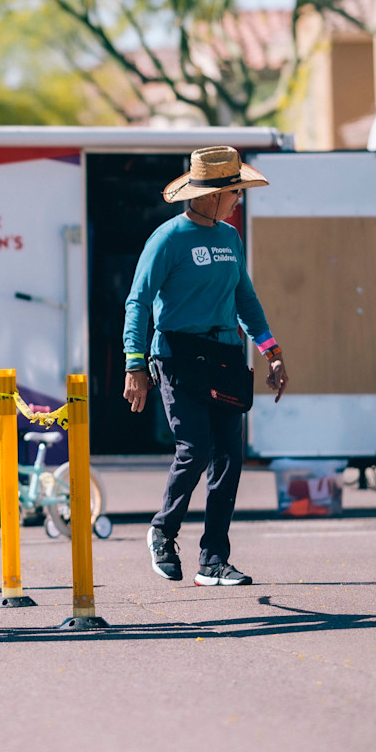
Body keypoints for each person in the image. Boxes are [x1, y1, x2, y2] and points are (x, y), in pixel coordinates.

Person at [123, 147, 289, 588]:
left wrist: (271, 351)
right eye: (235, 191)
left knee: (229, 459)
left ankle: (213, 560)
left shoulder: (230, 238)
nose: (240, 199)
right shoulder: (167, 239)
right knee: (194, 449)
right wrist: (134, 363)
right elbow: (138, 302)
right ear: (210, 195)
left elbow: (245, 300)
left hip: (225, 357)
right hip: (178, 355)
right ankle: (163, 530)